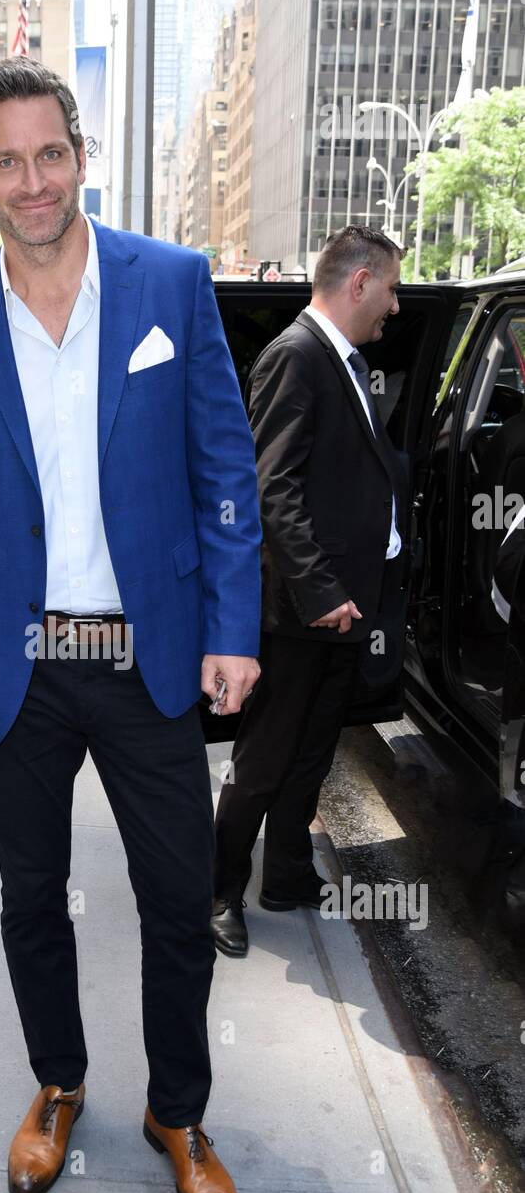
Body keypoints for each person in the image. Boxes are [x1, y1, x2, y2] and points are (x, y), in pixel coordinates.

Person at [0, 58, 262, 1193]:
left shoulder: (171, 283)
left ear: (79, 155)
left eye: (49, 153)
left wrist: (235, 629)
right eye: (5, 159)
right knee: (29, 897)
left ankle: (177, 1112)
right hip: (21, 667)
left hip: (147, 658)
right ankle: (57, 1085)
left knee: (173, 898)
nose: (32, 179)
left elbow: (224, 470)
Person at [210, 225, 408, 959]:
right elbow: (273, 488)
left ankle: (286, 874)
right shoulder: (295, 355)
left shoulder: (342, 360)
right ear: (358, 282)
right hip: (303, 608)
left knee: (311, 754)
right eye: (390, 288)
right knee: (264, 757)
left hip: (344, 607)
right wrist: (320, 588)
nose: (393, 305)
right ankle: (218, 889)